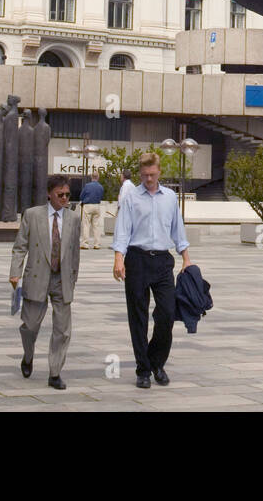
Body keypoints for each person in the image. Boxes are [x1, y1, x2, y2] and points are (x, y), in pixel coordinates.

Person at [111, 152, 190, 389]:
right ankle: (143, 370)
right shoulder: (131, 197)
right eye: (144, 175)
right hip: (137, 259)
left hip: (163, 261)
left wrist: (187, 258)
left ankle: (156, 361)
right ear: (140, 173)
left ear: (159, 172)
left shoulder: (170, 197)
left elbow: (178, 229)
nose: (148, 179)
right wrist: (118, 257)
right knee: (138, 316)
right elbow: (123, 229)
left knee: (167, 313)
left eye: (152, 175)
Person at [10, 177, 79, 390]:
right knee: (30, 326)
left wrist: (73, 278)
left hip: (62, 279)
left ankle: (55, 372)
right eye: (61, 195)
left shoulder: (74, 218)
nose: (65, 199)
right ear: (49, 194)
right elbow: (20, 246)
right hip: (37, 275)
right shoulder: (32, 215)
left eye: (68, 195)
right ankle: (28, 356)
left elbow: (75, 251)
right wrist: (15, 272)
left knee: (63, 330)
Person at [79, 170, 103, 249]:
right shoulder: (100, 187)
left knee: (86, 225)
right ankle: (97, 244)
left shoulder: (87, 186)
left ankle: (85, 244)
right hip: (97, 206)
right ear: (98, 177)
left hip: (88, 206)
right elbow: (101, 196)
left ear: (91, 177)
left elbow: (81, 196)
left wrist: (83, 200)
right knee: (96, 226)